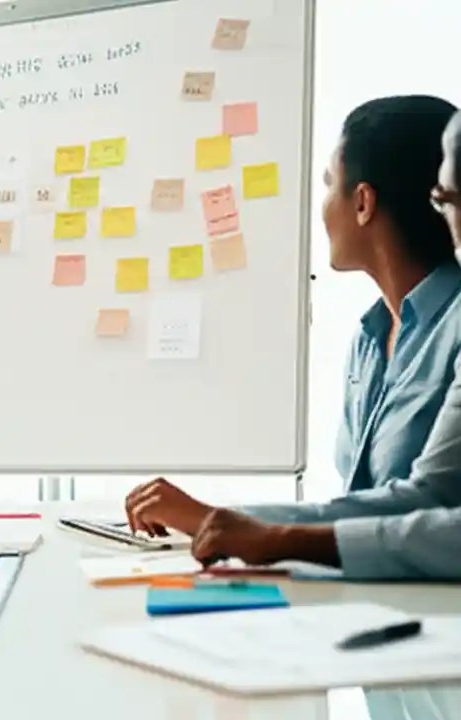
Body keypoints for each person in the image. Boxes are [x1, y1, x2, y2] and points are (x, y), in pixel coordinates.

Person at [126, 99, 461, 580]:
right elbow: (359, 502)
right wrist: (228, 525)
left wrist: (222, 522)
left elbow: (427, 501)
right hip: (368, 591)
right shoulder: (369, 339)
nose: (322, 206)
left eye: (329, 184)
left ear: (363, 202)